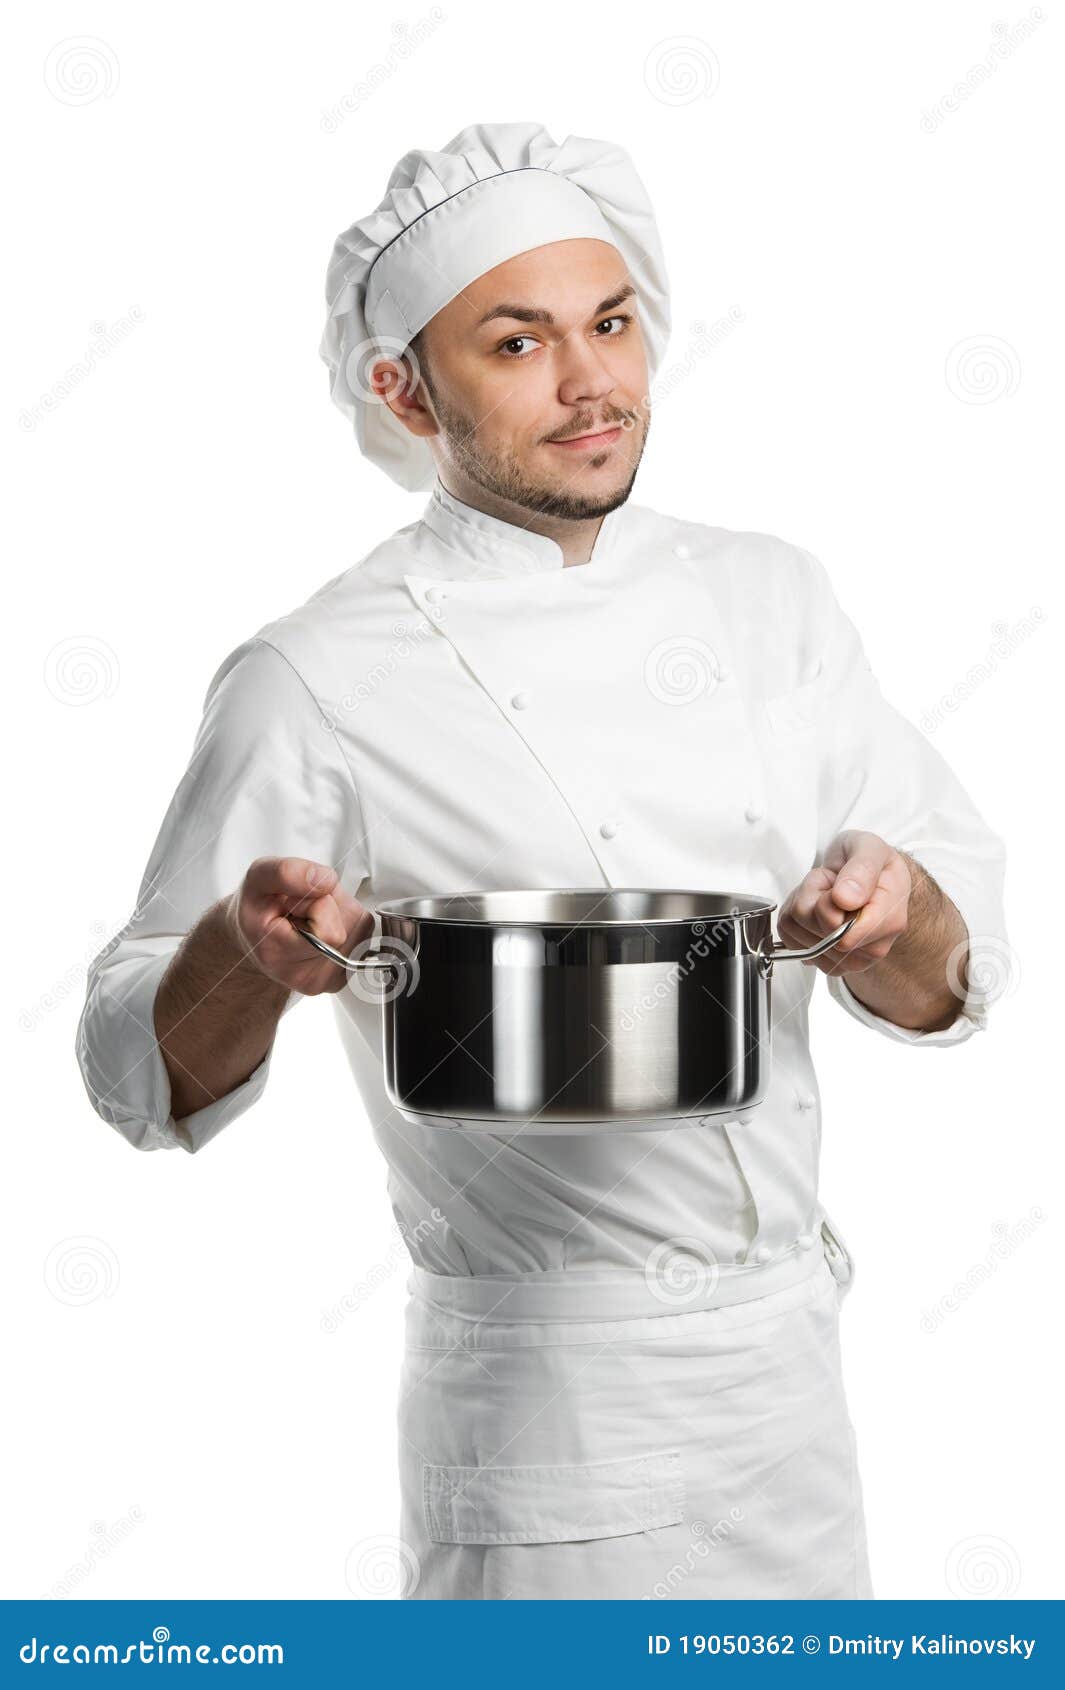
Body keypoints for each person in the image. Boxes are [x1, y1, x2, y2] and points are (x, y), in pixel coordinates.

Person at [75, 122, 1008, 1600]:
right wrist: (245, 960)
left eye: (613, 324)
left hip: (789, 1402)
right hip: (548, 1427)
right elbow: (129, 1061)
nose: (594, 384)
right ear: (403, 388)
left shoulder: (773, 600)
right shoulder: (314, 671)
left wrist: (890, 913)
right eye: (518, 343)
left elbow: (955, 964)